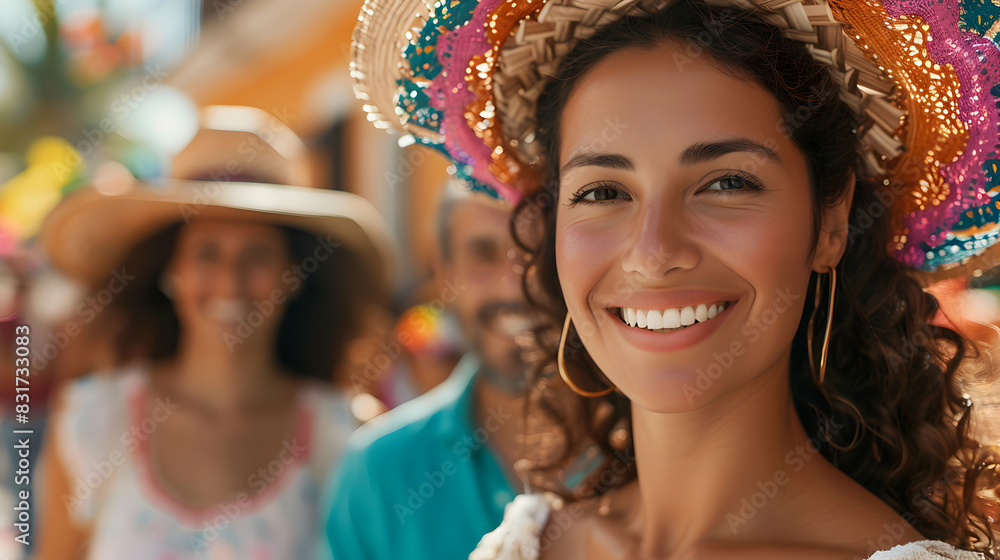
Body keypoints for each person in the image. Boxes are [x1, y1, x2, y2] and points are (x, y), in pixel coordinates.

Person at [350, 0, 1000, 557]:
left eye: (726, 183)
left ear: (830, 224)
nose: (654, 252)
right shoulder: (526, 543)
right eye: (604, 191)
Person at [36, 173, 394, 558]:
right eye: (207, 252)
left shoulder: (347, 434)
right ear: (171, 271)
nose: (229, 279)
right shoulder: (94, 422)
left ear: (293, 276)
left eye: (257, 255)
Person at [320, 181, 534, 559]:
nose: (513, 287)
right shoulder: (378, 473)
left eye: (538, 253)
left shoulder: (650, 449)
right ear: (444, 273)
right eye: (483, 254)